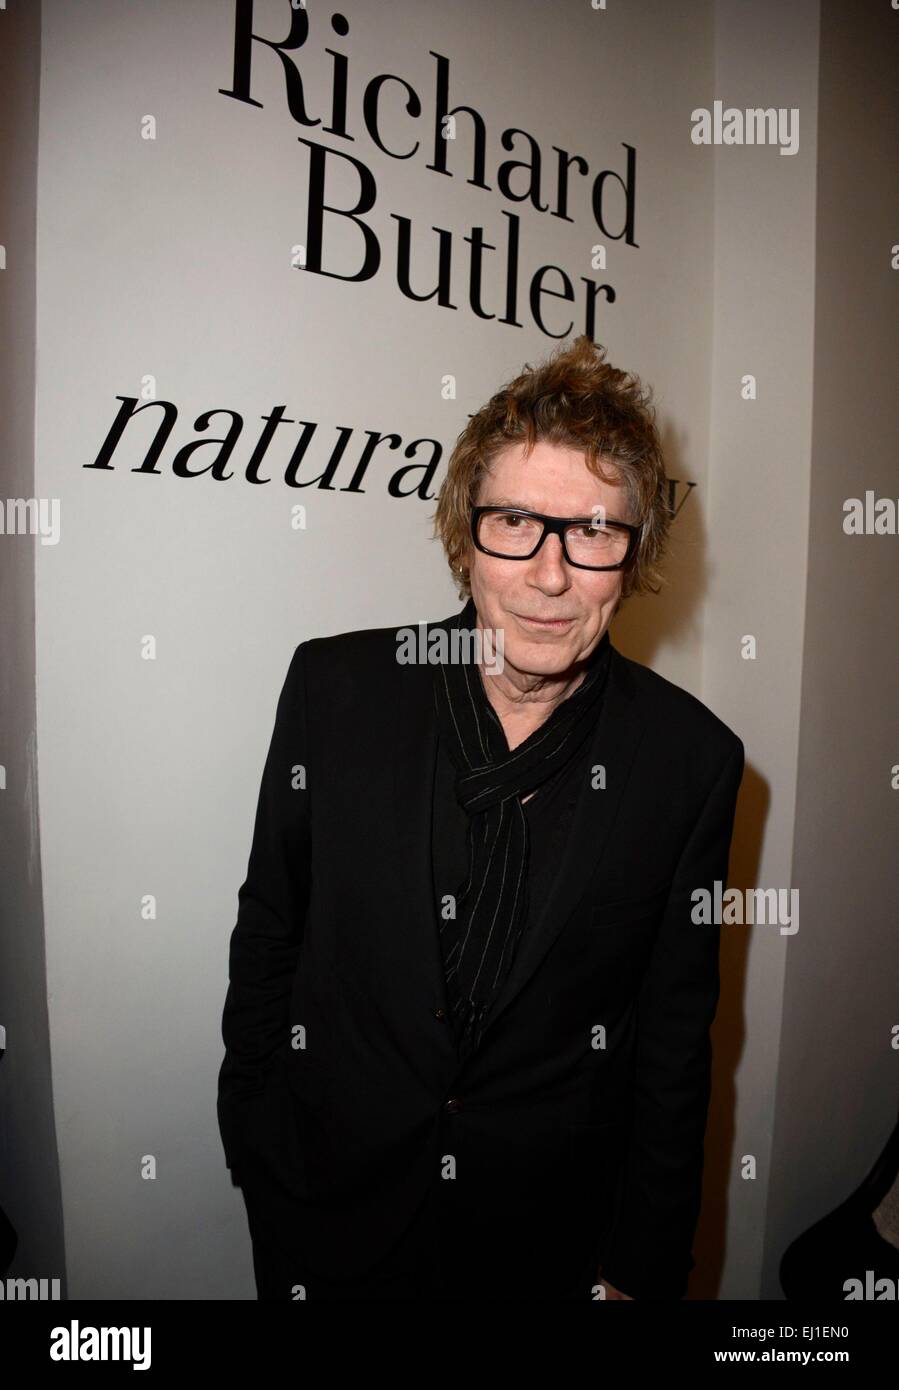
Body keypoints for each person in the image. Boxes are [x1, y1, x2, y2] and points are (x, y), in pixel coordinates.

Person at [216, 334, 745, 1301]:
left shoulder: (690, 763)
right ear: (464, 538)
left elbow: (673, 1045)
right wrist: (256, 1138)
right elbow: (270, 929)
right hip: (324, 1207)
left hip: (536, 1244)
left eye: (592, 532)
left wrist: (640, 1268)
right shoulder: (337, 690)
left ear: (633, 557)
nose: (551, 576)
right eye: (514, 523)